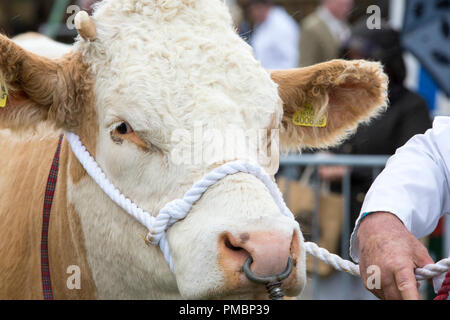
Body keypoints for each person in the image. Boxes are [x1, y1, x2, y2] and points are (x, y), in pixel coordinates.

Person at [320, 22, 433, 231]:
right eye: (350, 57)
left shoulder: (412, 106)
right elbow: (316, 138)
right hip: (334, 220)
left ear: (386, 62)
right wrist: (322, 156)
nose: (354, 65)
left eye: (362, 58)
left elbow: (415, 164)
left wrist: (349, 170)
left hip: (384, 221)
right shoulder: (341, 101)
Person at [247, 0, 300, 69]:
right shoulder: (260, 22)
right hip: (264, 73)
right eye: (252, 10)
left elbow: (291, 59)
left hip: (279, 75)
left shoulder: (282, 25)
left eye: (257, 8)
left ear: (267, 6)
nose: (255, 13)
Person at [299, 0, 353, 67]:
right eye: (344, 5)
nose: (348, 8)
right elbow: (305, 65)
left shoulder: (344, 25)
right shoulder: (311, 27)